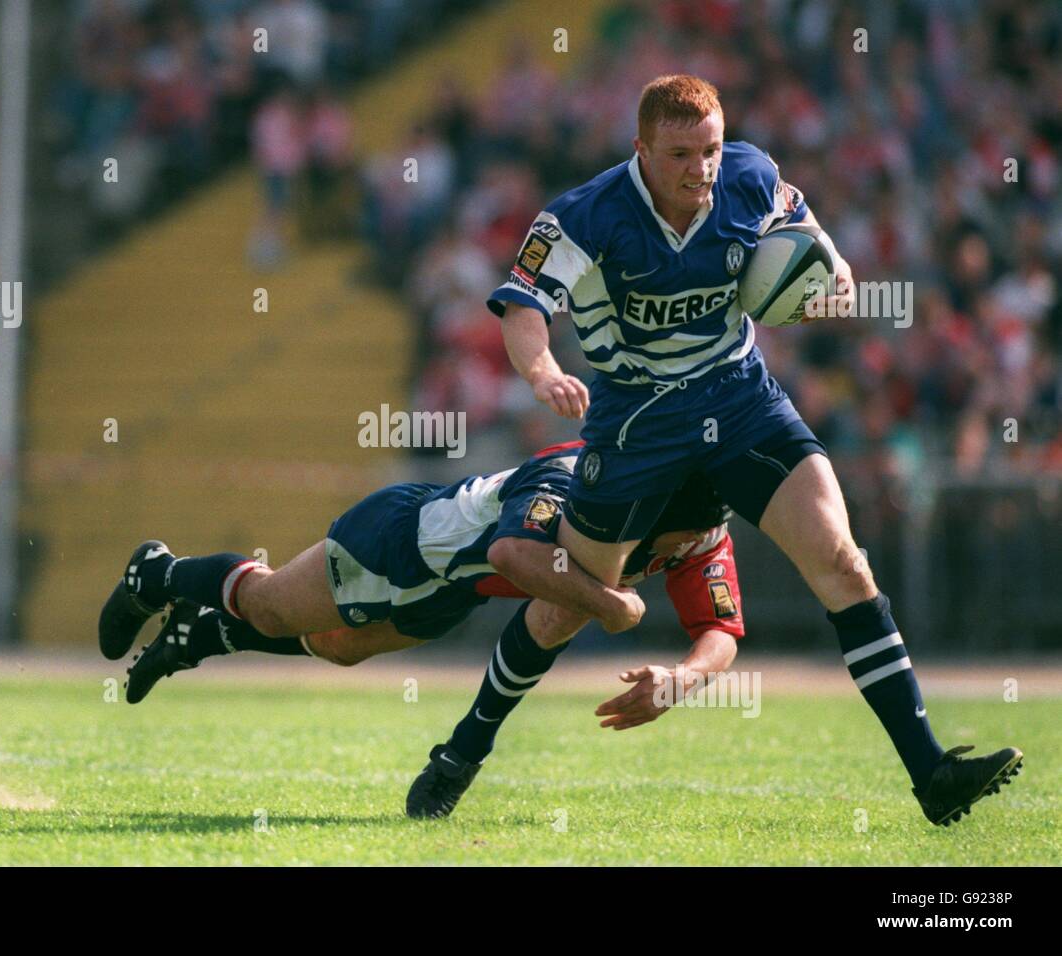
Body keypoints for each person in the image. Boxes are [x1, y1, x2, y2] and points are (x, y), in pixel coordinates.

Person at [484, 72, 1020, 826]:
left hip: (741, 398)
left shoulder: (750, 173)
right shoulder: (585, 215)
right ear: (640, 151)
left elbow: (817, 244)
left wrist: (830, 277)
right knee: (565, 604)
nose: (700, 168)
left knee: (842, 560)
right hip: (636, 421)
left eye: (708, 149)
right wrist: (542, 370)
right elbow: (522, 306)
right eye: (678, 155)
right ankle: (466, 746)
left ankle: (930, 770)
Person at [98, 445, 744, 818]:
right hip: (409, 545)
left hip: (454, 587)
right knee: (267, 605)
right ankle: (157, 573)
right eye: (682, 538)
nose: (693, 547)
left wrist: (683, 678)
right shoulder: (580, 483)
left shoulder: (698, 520)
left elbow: (720, 629)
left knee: (341, 648)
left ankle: (198, 638)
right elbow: (514, 557)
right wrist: (615, 605)